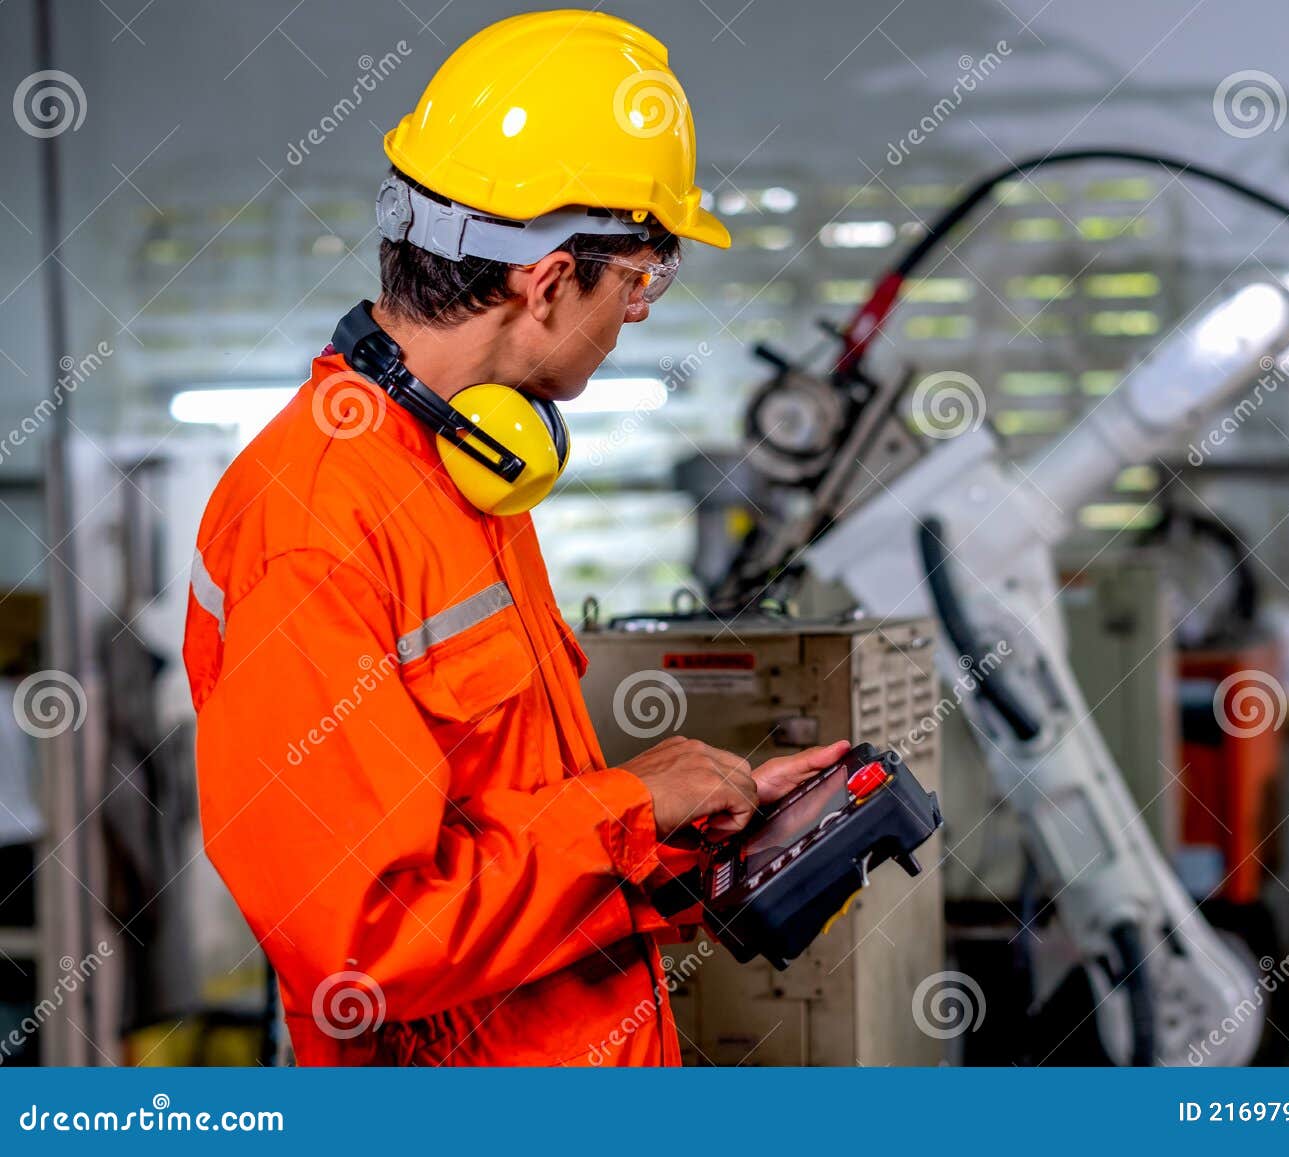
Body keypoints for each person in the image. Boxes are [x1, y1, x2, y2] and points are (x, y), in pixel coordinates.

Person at [182, 10, 847, 1066]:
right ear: (545, 280)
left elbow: (505, 829)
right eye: (639, 277)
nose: (637, 311)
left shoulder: (466, 468)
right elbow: (361, 939)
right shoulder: (313, 521)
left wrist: (696, 832)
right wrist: (632, 803)